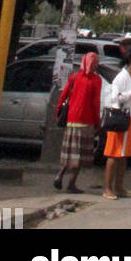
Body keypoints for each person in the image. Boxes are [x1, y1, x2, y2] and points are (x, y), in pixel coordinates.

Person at [53, 51, 102, 194]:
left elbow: (63, 96)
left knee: (70, 153)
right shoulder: (96, 80)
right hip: (86, 122)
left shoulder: (74, 76)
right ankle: (71, 184)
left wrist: (58, 113)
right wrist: (97, 123)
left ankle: (59, 175)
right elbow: (95, 104)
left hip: (71, 120)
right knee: (80, 155)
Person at [103, 43, 131, 200]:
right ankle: (107, 188)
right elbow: (115, 98)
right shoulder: (121, 77)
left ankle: (119, 187)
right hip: (120, 121)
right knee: (114, 155)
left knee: (123, 155)